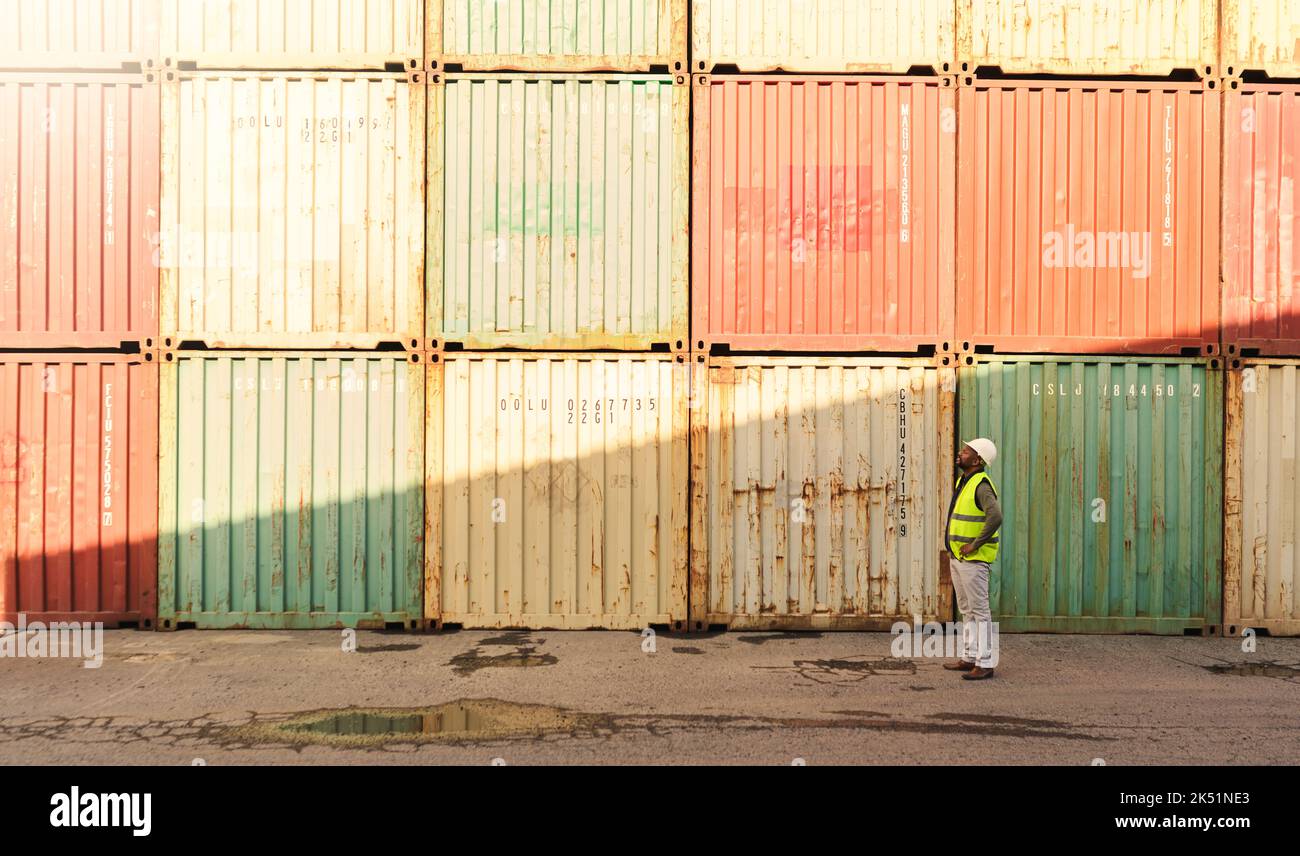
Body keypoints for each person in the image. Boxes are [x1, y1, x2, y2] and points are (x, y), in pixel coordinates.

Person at [943, 438, 1002, 680]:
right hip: (958, 557)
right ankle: (969, 657)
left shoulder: (981, 485)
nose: (961, 452)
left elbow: (995, 517)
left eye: (966, 451)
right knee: (966, 610)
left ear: (977, 460)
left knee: (980, 611)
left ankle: (986, 663)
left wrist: (975, 545)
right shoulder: (964, 481)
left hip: (974, 559)